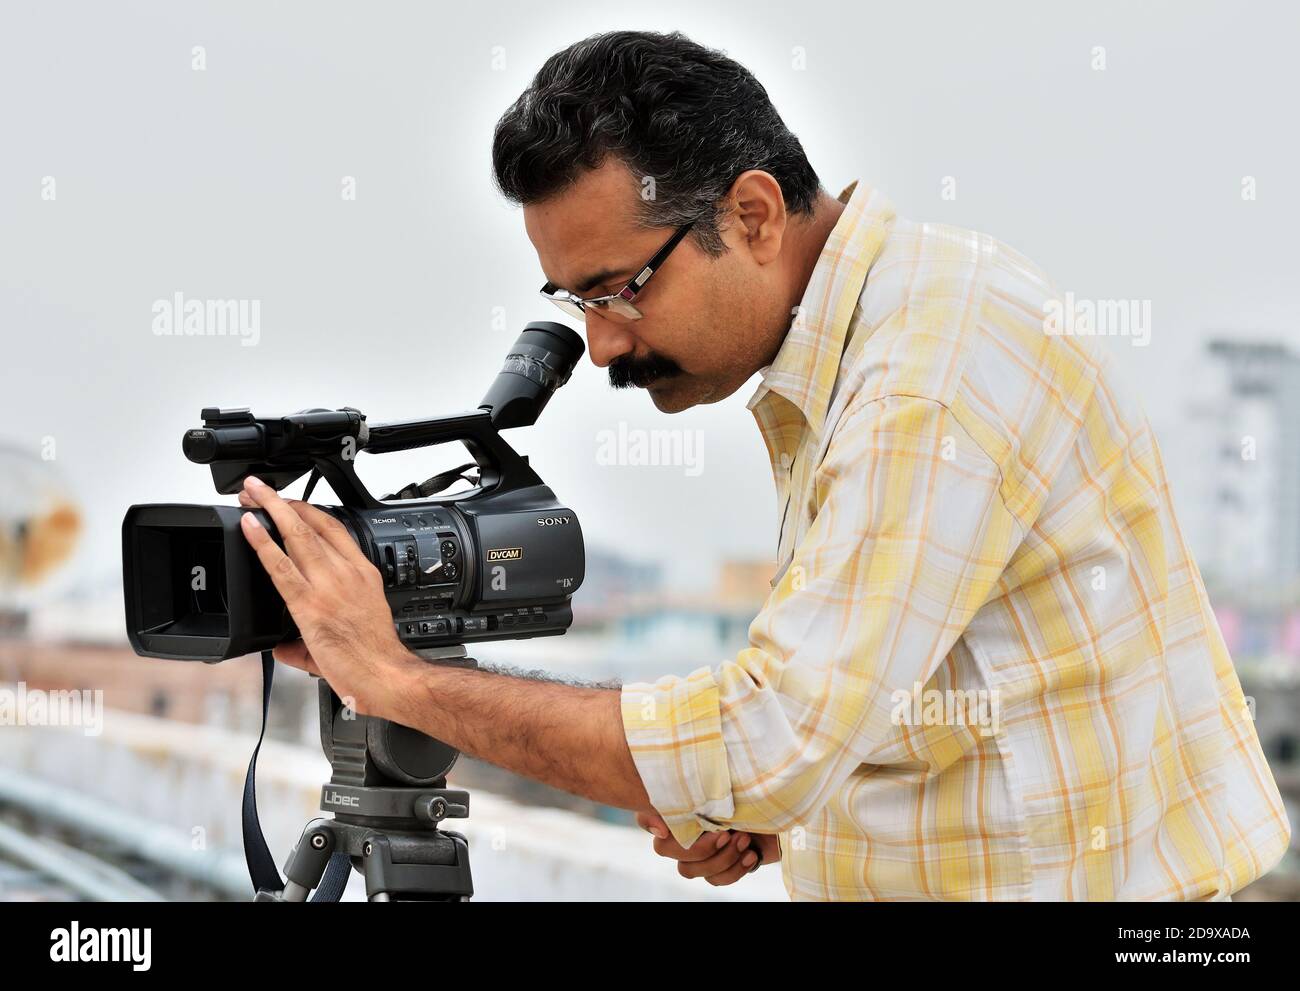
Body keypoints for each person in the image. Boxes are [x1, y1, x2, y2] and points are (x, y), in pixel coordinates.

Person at [236, 30, 1290, 900]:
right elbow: (926, 691)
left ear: (750, 215)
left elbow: (765, 735)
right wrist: (797, 807)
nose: (600, 344)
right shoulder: (872, 335)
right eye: (575, 305)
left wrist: (398, 681)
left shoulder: (927, 375)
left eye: (618, 289)